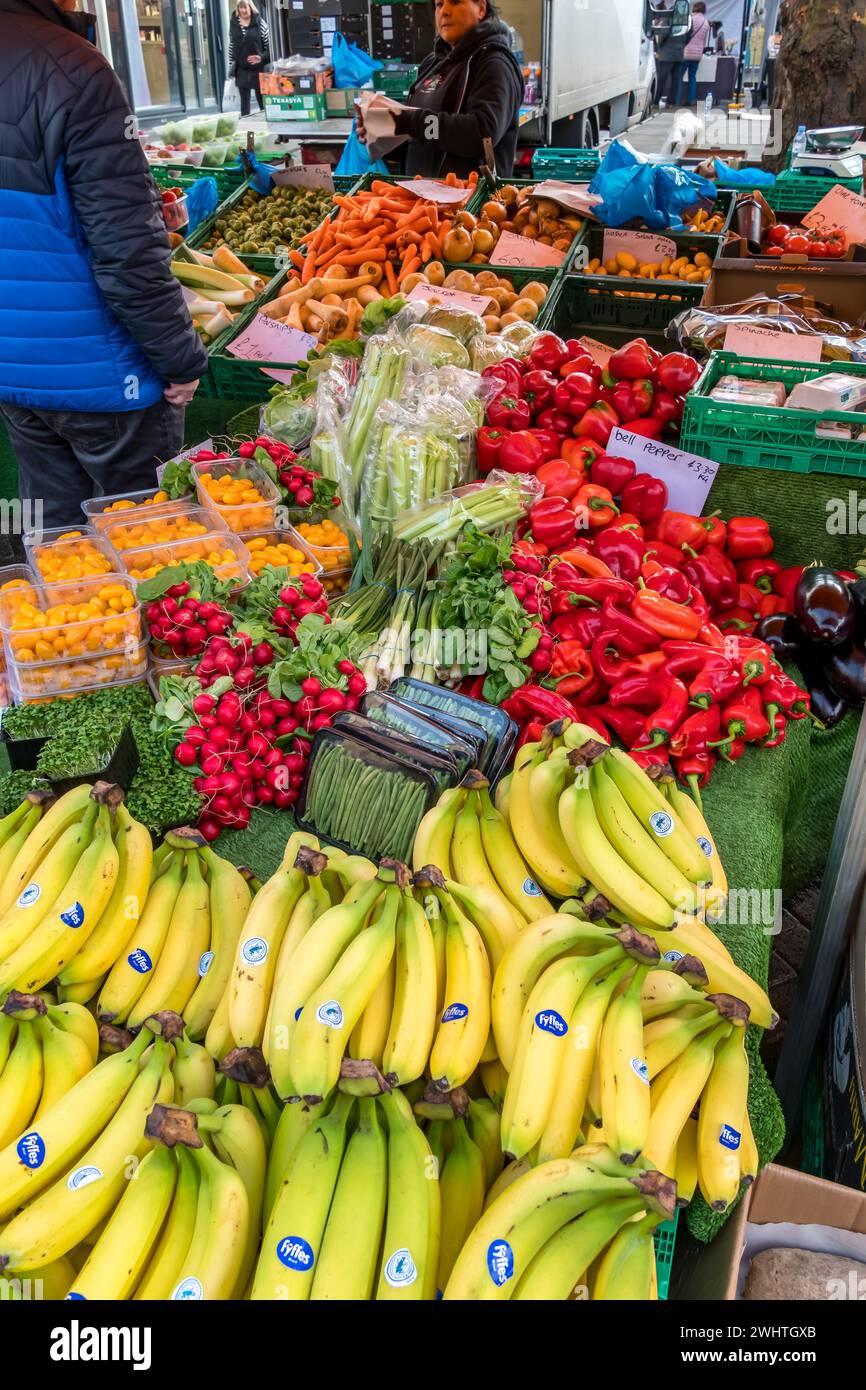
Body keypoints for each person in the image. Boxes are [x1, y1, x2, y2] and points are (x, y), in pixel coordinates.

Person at [0, 0, 207, 529]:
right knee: (149, 545)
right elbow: (127, 250)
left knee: (52, 538)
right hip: (107, 377)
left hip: (14, 367)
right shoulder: (74, 68)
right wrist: (180, 359)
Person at [360, 0, 523, 180]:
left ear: (481, 8)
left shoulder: (494, 63)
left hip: (470, 203)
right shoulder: (432, 63)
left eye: (455, 2)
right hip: (422, 201)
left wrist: (410, 121)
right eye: (439, 4)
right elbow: (424, 137)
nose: (444, 11)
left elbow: (482, 135)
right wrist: (383, 132)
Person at [229, 0, 270, 119]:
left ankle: (267, 127)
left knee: (262, 102)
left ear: (250, 7)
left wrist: (261, 57)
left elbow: (270, 47)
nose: (243, 10)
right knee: (244, 105)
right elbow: (231, 46)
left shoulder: (260, 23)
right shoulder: (234, 24)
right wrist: (231, 67)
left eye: (245, 7)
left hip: (259, 69)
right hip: (241, 68)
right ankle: (246, 131)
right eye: (240, 8)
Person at [653, 0, 689, 108]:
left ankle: (655, 101)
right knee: (675, 79)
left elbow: (663, 32)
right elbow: (690, 34)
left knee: (662, 78)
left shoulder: (669, 14)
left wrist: (659, 47)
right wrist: (682, 44)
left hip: (667, 52)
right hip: (679, 53)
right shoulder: (687, 16)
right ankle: (671, 103)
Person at [678, 1, 711, 105]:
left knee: (679, 77)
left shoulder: (690, 19)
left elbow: (683, 35)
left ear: (695, 8)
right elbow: (704, 42)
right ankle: (690, 99)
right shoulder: (706, 23)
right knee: (692, 77)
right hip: (697, 55)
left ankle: (677, 99)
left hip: (686, 52)